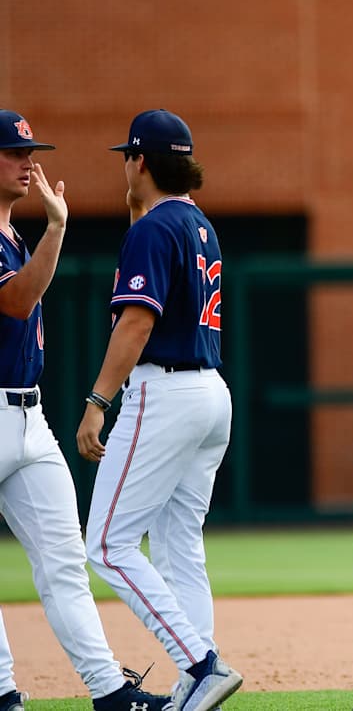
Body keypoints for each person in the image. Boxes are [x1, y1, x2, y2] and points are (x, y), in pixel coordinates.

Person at [0, 112, 173, 711]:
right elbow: (17, 301)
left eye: (31, 151)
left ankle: (109, 693)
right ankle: (1, 691)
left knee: (67, 562)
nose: (28, 162)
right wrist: (58, 227)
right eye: (13, 153)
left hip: (30, 414)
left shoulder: (11, 236)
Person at [77, 110, 242, 711]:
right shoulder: (197, 224)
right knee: (178, 547)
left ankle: (201, 667)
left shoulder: (153, 230)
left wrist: (98, 400)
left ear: (139, 160)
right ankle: (194, 683)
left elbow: (137, 323)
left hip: (164, 393)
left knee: (108, 545)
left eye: (128, 155)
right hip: (209, 392)